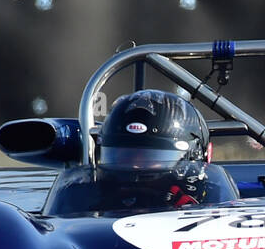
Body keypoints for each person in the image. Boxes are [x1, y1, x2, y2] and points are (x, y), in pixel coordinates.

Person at [48, 91, 219, 214]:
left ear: (199, 157)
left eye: (150, 157)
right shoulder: (83, 198)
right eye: (124, 156)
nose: (136, 166)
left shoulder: (214, 201)